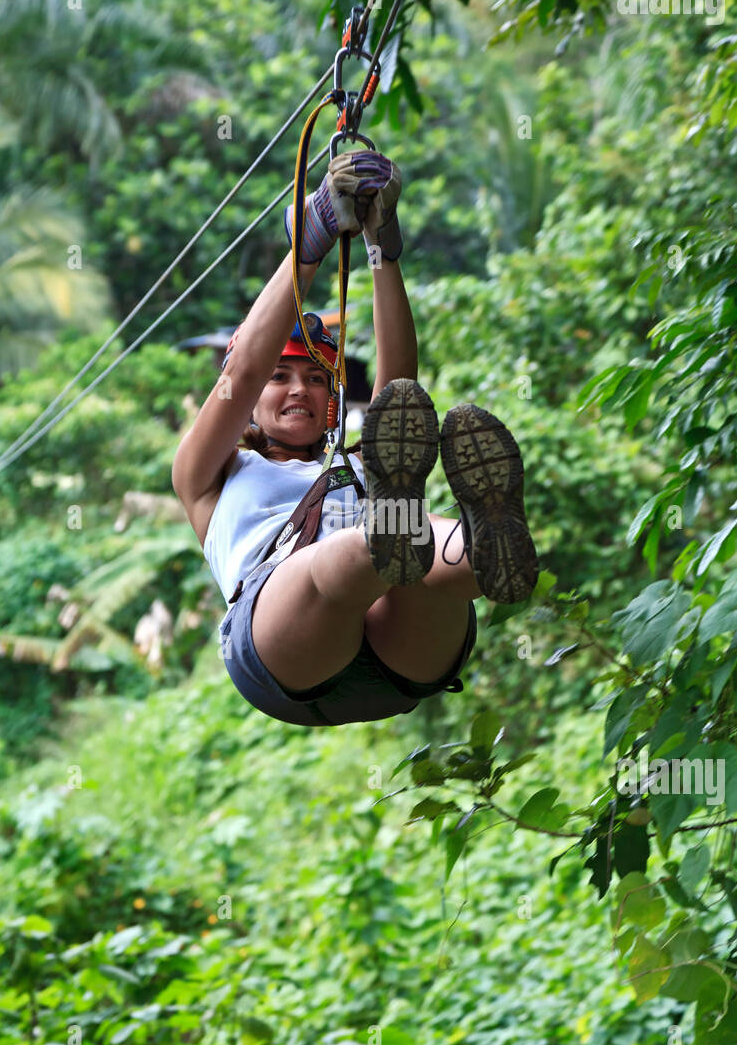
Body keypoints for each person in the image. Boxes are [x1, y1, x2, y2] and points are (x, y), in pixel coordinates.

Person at [171, 150, 539, 726]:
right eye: (282, 376)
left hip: (402, 655)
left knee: (413, 534)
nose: (300, 390)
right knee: (348, 554)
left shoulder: (360, 461)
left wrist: (380, 247)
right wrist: (311, 240)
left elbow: (400, 391)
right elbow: (240, 374)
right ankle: (401, 533)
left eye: (318, 379)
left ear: (333, 400)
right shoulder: (208, 476)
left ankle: (483, 545)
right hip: (285, 648)